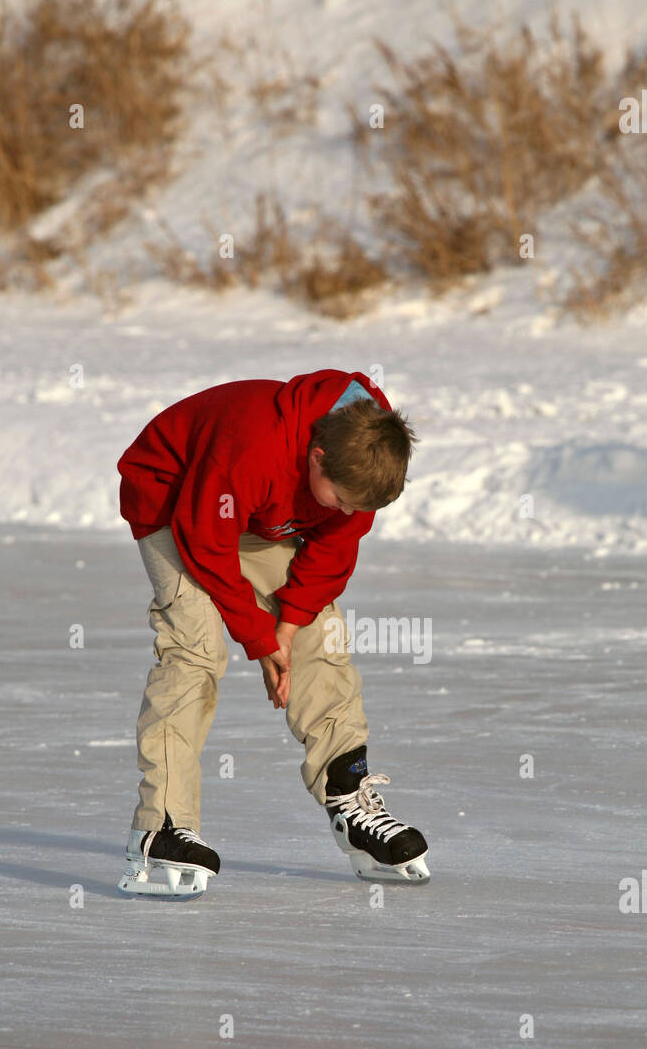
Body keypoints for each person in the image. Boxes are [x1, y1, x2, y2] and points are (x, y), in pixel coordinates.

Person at [115, 368, 430, 896]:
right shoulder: (253, 445)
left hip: (261, 512)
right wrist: (260, 639)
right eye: (343, 500)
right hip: (176, 502)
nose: (350, 513)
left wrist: (287, 624)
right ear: (317, 456)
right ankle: (160, 828)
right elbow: (208, 543)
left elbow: (333, 547)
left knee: (319, 636)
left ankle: (347, 795)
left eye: (361, 506)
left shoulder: (363, 455)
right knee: (195, 650)